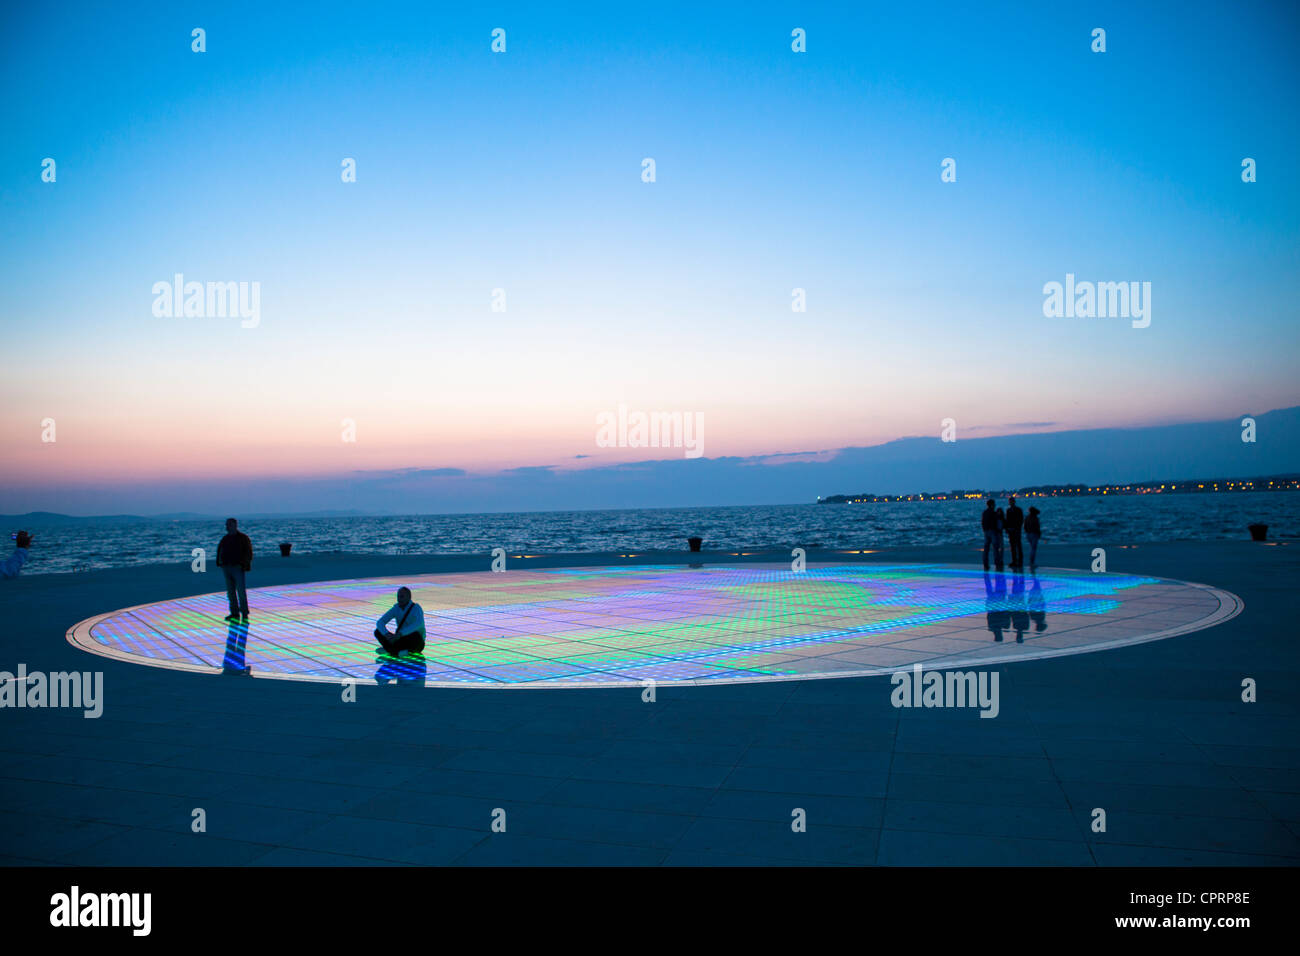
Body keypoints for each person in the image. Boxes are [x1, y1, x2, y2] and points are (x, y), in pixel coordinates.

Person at [216, 518, 253, 622]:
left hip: (237, 567)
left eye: (229, 525)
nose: (227, 527)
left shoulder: (243, 538)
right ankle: (234, 612)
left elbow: (248, 552)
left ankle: (244, 612)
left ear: (234, 525)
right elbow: (220, 551)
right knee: (231, 592)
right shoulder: (225, 539)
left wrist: (245, 564)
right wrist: (220, 563)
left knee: (241, 591)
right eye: (226, 525)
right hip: (226, 567)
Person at [375, 586, 426, 655]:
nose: (399, 599)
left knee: (416, 635)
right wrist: (387, 634)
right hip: (401, 639)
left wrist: (400, 634)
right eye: (398, 597)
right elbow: (380, 622)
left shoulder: (416, 608)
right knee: (378, 632)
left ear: (409, 597)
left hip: (415, 641)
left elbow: (419, 623)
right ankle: (398, 651)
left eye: (402, 597)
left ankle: (390, 649)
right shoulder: (396, 608)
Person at [980, 500, 1003, 570]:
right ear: (992, 505)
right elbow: (996, 523)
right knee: (995, 548)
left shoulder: (985, 513)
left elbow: (983, 522)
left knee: (986, 548)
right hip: (993, 531)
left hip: (986, 531)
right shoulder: (993, 513)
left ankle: (985, 563)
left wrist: (984, 530)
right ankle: (997, 562)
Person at [1004, 496, 1025, 569]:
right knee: (1013, 546)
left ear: (1014, 502)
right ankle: (1014, 561)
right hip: (1011, 530)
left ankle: (1020, 561)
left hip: (1016, 530)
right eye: (1010, 502)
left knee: (1018, 545)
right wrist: (1007, 529)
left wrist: (1017, 528)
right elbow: (1007, 520)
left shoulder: (1018, 510)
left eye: (1011, 501)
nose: (1011, 503)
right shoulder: (1008, 510)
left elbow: (1021, 520)